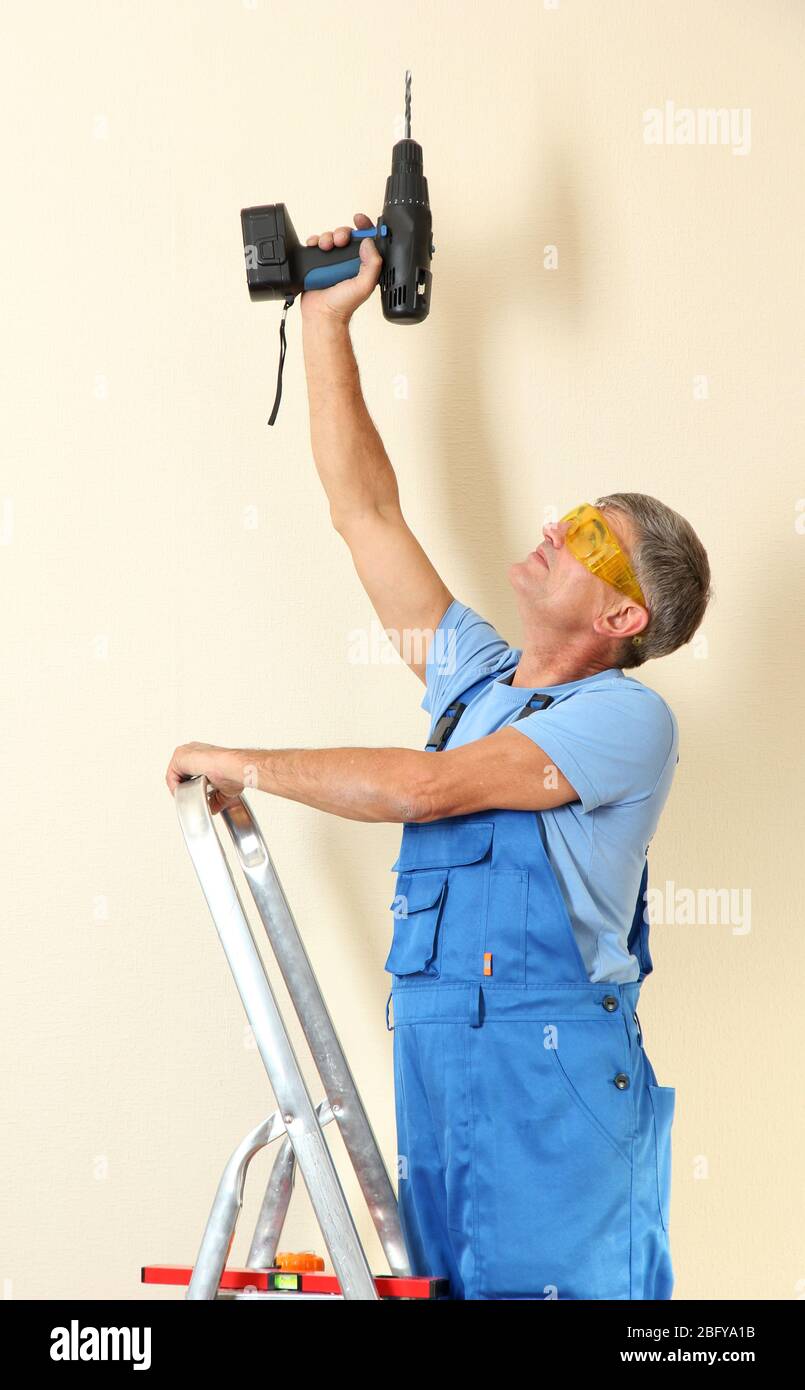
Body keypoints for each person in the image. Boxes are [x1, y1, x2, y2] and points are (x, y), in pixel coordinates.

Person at [166, 215, 712, 1300]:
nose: (557, 532)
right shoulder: (470, 678)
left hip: (554, 1102)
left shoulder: (623, 720)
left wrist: (244, 760)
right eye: (570, 515)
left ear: (619, 614)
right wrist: (328, 322)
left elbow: (425, 790)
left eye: (590, 541)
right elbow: (364, 512)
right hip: (444, 1088)